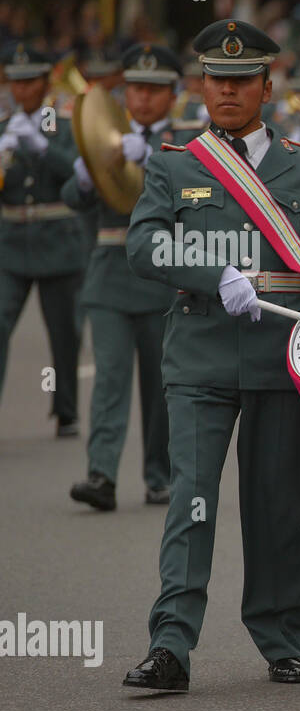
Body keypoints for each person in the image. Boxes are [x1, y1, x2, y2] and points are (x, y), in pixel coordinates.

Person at [121, 19, 300, 692]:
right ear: (202, 85)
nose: (228, 90)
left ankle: (283, 637)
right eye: (216, 79)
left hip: (279, 355)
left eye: (242, 80)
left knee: (277, 506)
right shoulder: (175, 163)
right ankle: (171, 644)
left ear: (269, 84)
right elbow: (144, 244)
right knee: (192, 502)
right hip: (202, 352)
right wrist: (213, 273)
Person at [66, 42, 199, 511]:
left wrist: (151, 162)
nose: (142, 99)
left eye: (154, 90)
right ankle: (101, 474)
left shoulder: (189, 141)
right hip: (109, 273)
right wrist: (88, 172)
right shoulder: (105, 132)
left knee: (162, 384)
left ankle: (158, 476)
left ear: (173, 93)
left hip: (164, 276)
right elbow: (72, 197)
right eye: (135, 89)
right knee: (110, 377)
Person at [0, 40, 89, 437]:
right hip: (12, 242)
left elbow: (76, 174)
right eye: (15, 83)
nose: (22, 91)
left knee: (63, 332)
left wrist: (39, 146)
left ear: (44, 82)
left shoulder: (60, 122)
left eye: (30, 82)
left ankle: (65, 407)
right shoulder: (4, 127)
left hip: (58, 239)